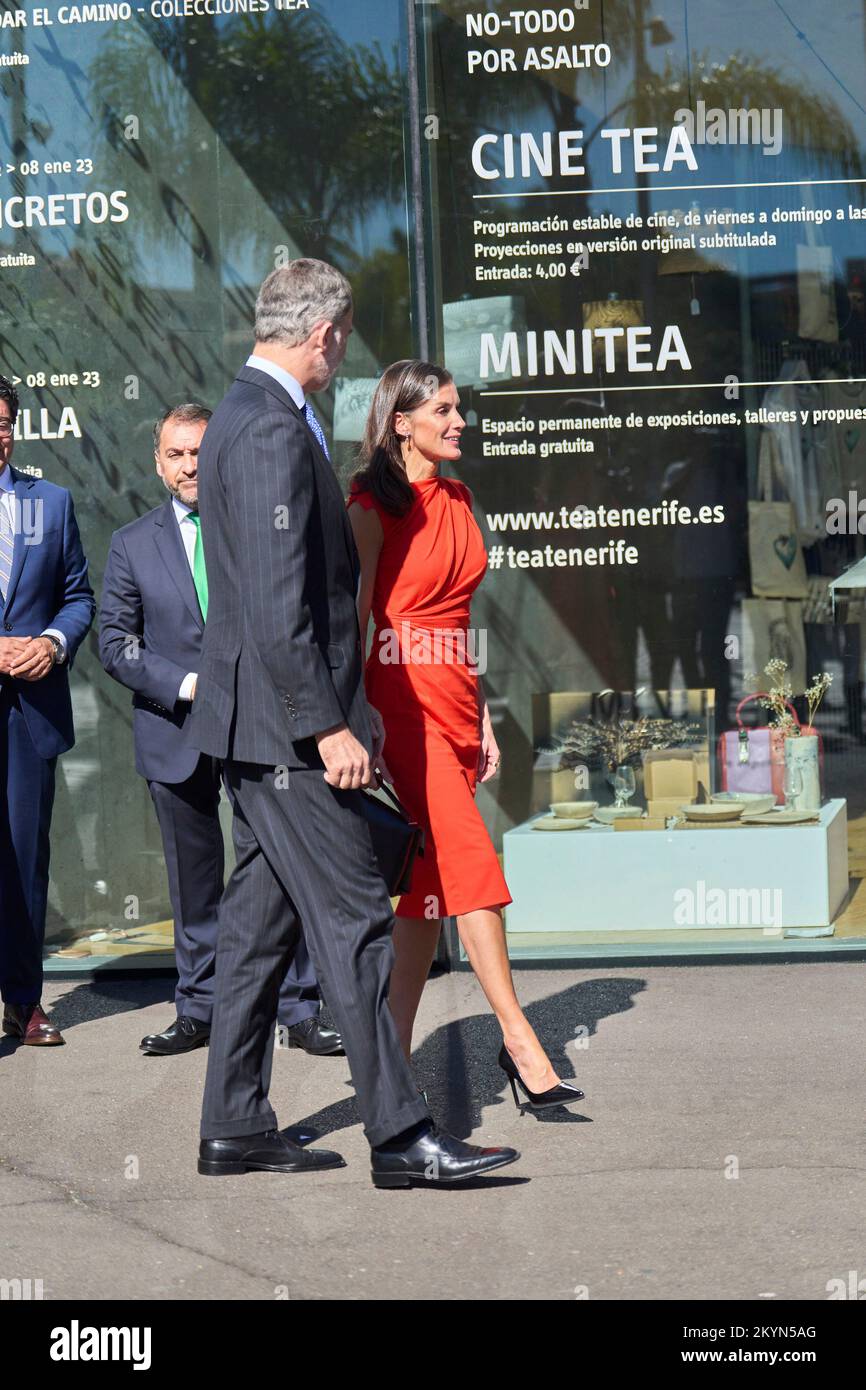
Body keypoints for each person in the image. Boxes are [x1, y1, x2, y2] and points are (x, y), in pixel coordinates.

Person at [188, 259, 518, 1186]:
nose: (342, 353)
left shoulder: (247, 417)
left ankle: (236, 1125)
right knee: (354, 928)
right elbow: (278, 601)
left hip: (256, 730)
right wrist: (324, 723)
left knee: (257, 937)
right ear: (324, 333)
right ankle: (402, 1135)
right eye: (342, 339)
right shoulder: (265, 431)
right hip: (288, 733)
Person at [348, 361, 584, 1112]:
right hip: (398, 703)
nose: (457, 421)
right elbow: (356, 621)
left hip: (452, 697)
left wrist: (478, 714)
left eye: (458, 408)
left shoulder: (459, 496)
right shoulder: (367, 505)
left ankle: (385, 1061)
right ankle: (518, 1038)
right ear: (400, 422)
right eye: (442, 410)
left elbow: (456, 620)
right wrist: (355, 721)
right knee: (470, 864)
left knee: (422, 893)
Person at [99, 403, 342, 1058]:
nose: (188, 466)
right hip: (174, 730)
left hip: (259, 730)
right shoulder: (131, 543)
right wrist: (188, 685)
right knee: (194, 880)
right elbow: (116, 645)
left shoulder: (260, 530)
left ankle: (299, 1008)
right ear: (158, 462)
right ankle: (199, 1008)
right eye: (175, 454)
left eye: (199, 453)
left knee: (279, 868)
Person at [0, 373, 95, 1046]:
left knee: (25, 858)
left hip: (27, 714)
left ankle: (23, 1001)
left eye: (3, 423)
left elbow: (78, 596)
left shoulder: (51, 502)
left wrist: (53, 643)